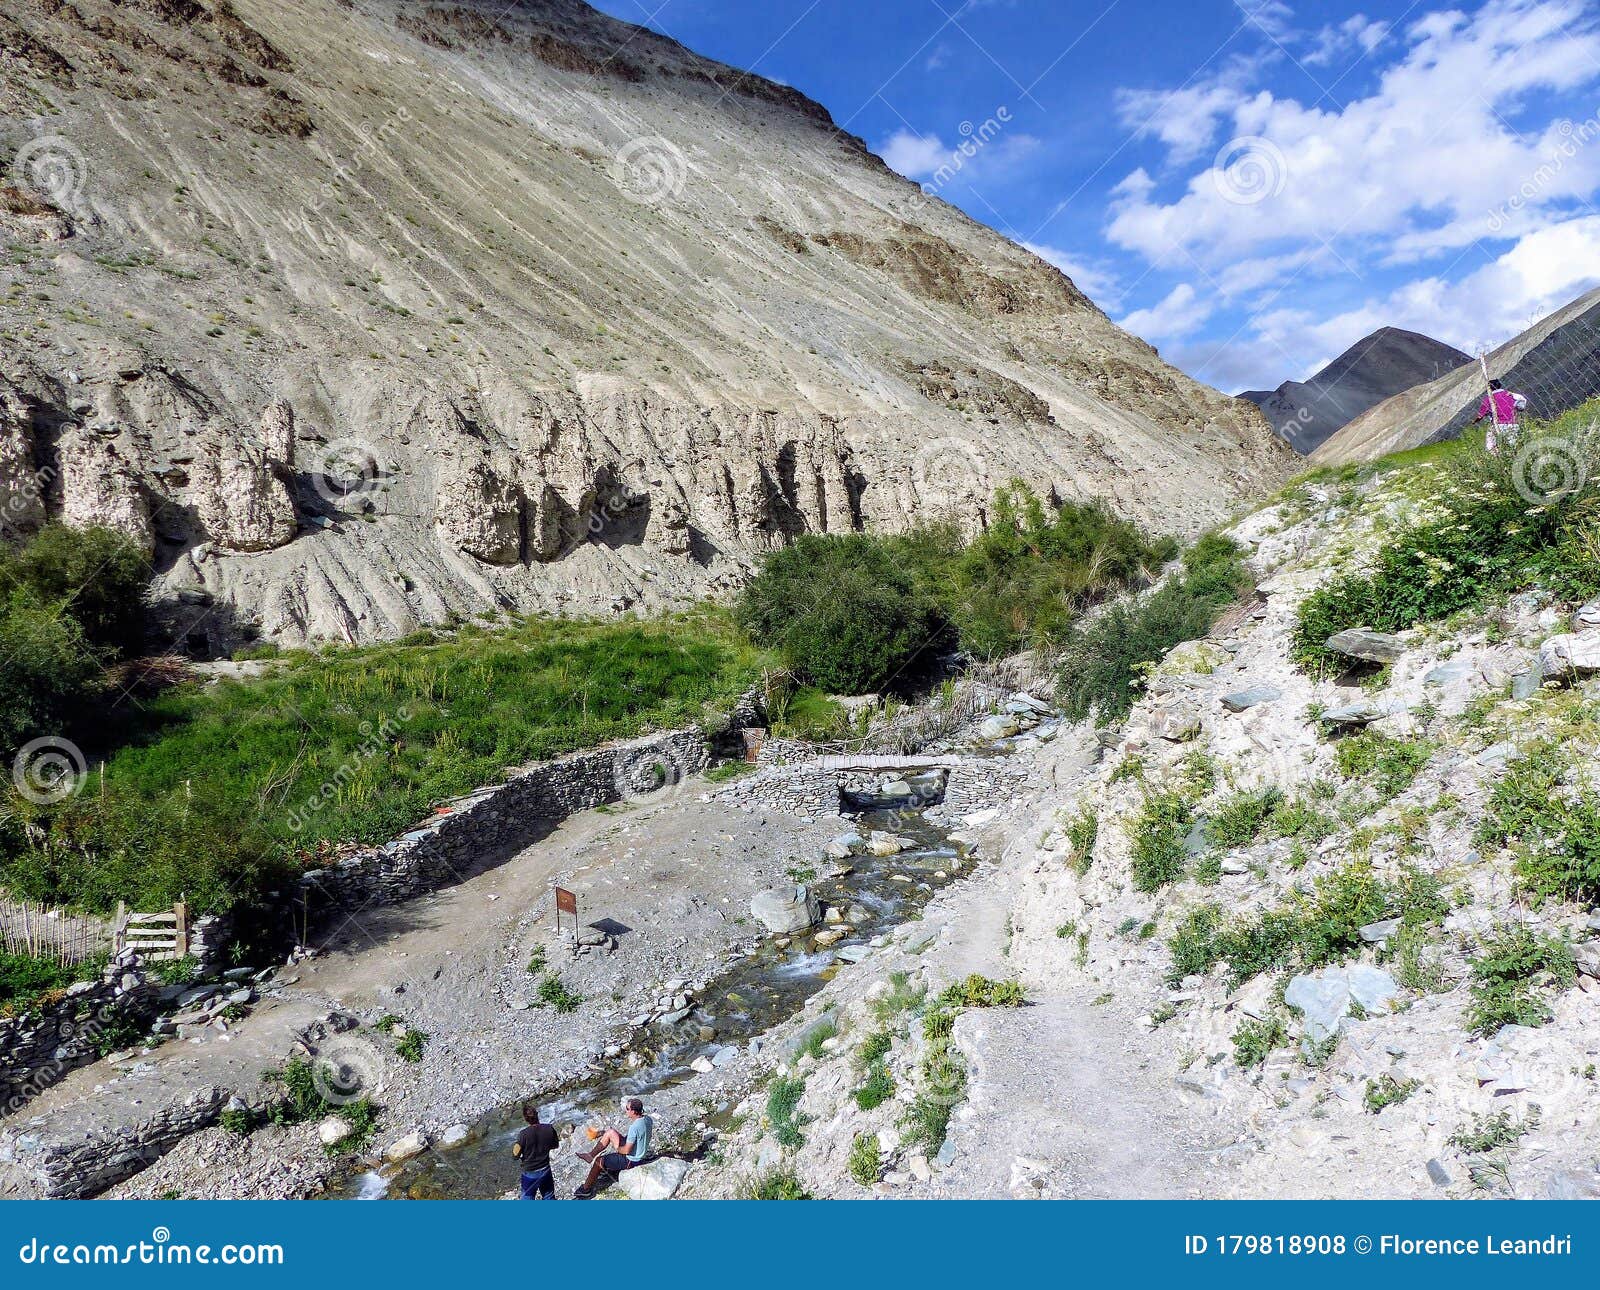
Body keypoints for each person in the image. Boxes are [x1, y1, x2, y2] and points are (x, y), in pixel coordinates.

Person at [574, 1097, 652, 1199]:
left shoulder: (635, 1127)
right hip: (639, 1153)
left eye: (627, 1109)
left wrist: (617, 1147)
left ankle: (586, 1189)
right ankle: (590, 1156)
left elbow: (626, 1150)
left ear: (633, 1111)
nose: (626, 1110)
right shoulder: (647, 1119)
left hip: (631, 1160)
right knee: (610, 1132)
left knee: (599, 1161)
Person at [513, 1102, 559, 1200]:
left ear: (525, 1119)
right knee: (549, 1196)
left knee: (527, 1198)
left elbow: (515, 1155)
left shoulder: (523, 1134)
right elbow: (555, 1145)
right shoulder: (549, 1128)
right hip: (545, 1170)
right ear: (537, 1114)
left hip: (530, 1174)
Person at [1475, 379, 1528, 454]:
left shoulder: (1489, 398)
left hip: (1498, 424)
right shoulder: (1509, 394)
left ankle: (1495, 457)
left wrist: (1475, 421)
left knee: (1490, 444)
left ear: (1489, 388)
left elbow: (1481, 415)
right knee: (1512, 446)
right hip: (1512, 423)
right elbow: (1521, 404)